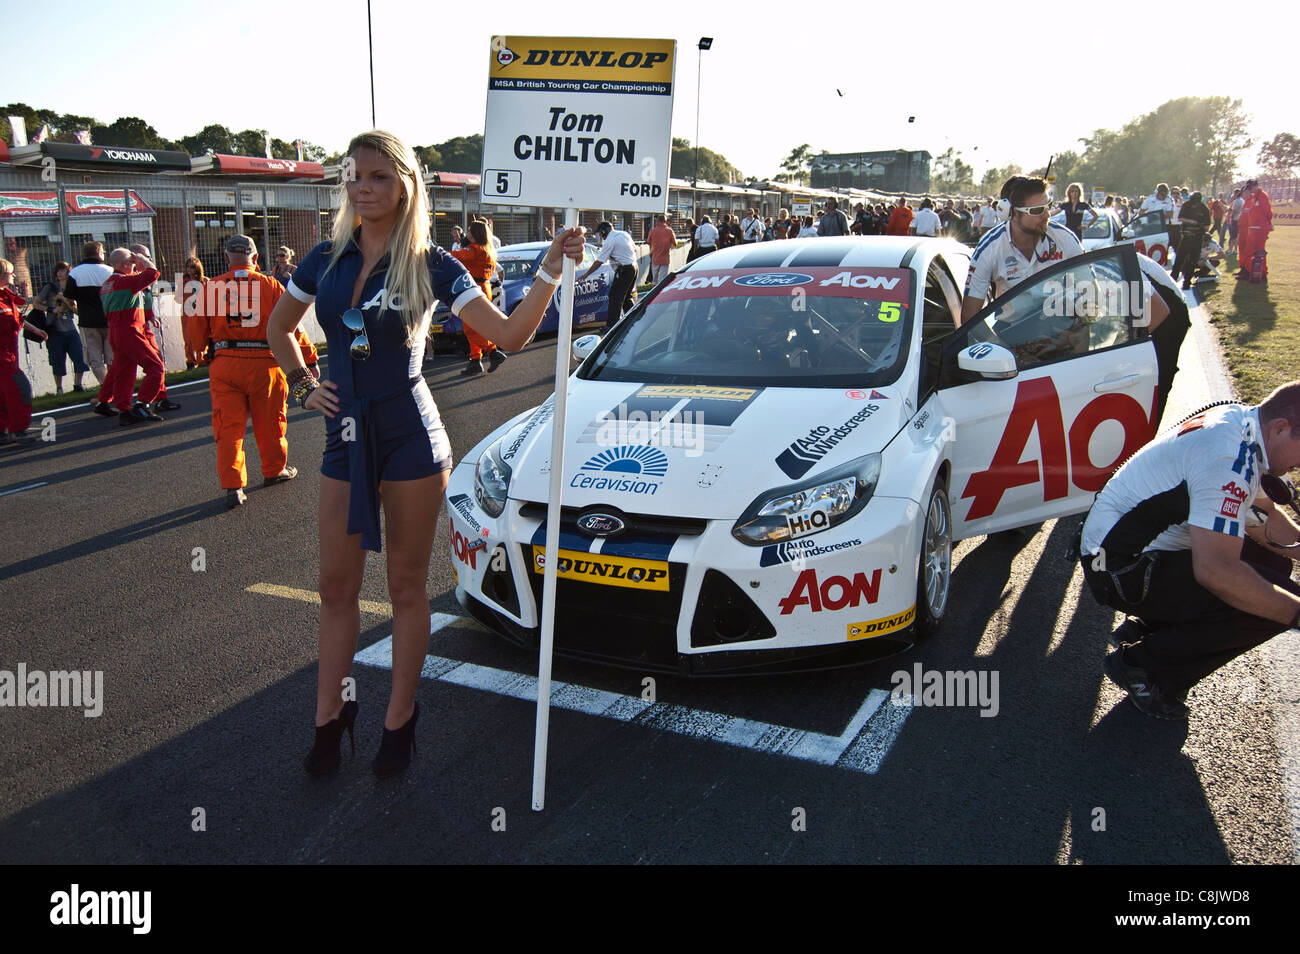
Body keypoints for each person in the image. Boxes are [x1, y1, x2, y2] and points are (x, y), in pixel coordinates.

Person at [264, 130, 586, 779]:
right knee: (334, 588)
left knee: (406, 589)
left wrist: (551, 271)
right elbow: (279, 328)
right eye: (355, 176)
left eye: (379, 176)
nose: (364, 187)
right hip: (344, 435)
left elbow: (510, 335)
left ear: (406, 184)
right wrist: (302, 384)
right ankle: (329, 716)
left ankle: (399, 719)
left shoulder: (432, 262)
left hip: (411, 434)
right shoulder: (324, 258)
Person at [1080, 382, 1300, 719]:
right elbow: (1216, 572)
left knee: (1273, 565)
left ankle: (1153, 625)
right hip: (1115, 569)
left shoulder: (1242, 427)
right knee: (1270, 604)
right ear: (1280, 428)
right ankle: (1145, 667)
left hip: (1118, 549)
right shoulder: (1229, 459)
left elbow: (1264, 520)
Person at [198, 234, 298, 508]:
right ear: (255, 258)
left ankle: (233, 486)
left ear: (226, 258)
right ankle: (274, 470)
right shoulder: (271, 285)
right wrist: (309, 359)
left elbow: (196, 329)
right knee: (271, 422)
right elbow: (290, 326)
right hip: (265, 364)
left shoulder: (211, 287)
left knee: (228, 427)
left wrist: (197, 353)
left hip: (225, 363)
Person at [960, 175, 1085, 323]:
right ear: (1010, 213)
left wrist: (1078, 330)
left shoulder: (1065, 238)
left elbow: (1091, 294)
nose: (1047, 215)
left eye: (1048, 206)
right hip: (1010, 332)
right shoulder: (989, 249)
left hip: (1060, 328)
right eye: (1037, 210)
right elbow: (969, 317)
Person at [97, 247, 166, 426]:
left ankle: (124, 410)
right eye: (132, 262)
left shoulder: (106, 285)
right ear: (125, 264)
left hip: (115, 332)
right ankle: (143, 404)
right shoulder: (125, 282)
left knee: (124, 372)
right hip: (130, 330)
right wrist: (143, 258)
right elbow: (153, 273)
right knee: (156, 367)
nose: (135, 265)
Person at [0, 258, 48, 445]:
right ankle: (18, 430)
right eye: (10, 272)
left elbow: (17, 318)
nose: (13, 275)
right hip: (3, 358)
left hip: (10, 354)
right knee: (20, 389)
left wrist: (35, 330)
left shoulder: (6, 296)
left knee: (4, 395)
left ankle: (3, 431)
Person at [130, 244, 181, 414]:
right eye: (146, 257)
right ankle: (142, 403)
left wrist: (150, 315)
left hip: (141, 324)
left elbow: (144, 300)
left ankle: (159, 398)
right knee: (155, 364)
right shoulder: (132, 278)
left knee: (154, 363)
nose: (149, 260)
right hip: (134, 328)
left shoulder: (139, 278)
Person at [451, 220, 505, 374]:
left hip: (474, 289)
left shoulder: (475, 249)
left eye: (469, 230)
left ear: (475, 233)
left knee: (470, 328)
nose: (467, 233)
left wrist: (437, 252)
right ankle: (475, 360)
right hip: (483, 287)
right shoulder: (489, 249)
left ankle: (493, 352)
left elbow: (455, 256)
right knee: (476, 326)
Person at [33, 262, 89, 395]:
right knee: (57, 360)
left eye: (62, 270)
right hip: (54, 329)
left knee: (80, 357)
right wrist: (51, 309)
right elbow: (36, 304)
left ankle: (78, 385)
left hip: (70, 328)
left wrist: (65, 301)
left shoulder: (72, 288)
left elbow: (78, 311)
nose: (59, 273)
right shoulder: (50, 287)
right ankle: (59, 388)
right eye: (58, 270)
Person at [65, 242, 114, 393]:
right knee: (112, 357)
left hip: (88, 322)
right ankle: (114, 386)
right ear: (98, 252)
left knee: (94, 358)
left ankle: (106, 386)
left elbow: (69, 298)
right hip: (110, 320)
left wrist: (77, 309)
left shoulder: (75, 273)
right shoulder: (110, 271)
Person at [582, 220, 638, 329]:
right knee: (626, 297)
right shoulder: (624, 234)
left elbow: (599, 261)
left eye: (600, 233)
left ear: (604, 231)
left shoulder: (610, 241)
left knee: (615, 297)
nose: (600, 236)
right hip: (634, 266)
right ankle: (633, 319)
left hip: (624, 270)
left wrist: (586, 274)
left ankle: (613, 325)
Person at [1170, 191, 1211, 290]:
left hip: (1197, 237)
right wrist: (1192, 222)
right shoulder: (1186, 205)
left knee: (1193, 261)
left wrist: (1200, 225)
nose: (1194, 205)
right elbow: (1180, 218)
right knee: (1179, 259)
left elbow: (1207, 226)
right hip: (1186, 236)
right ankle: (1172, 280)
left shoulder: (1204, 209)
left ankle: (1187, 282)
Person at [1237, 179, 1273, 281]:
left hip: (1260, 228)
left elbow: (1268, 212)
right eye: (1249, 188)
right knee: (1250, 251)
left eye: (1251, 187)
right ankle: (1250, 271)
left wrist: (1267, 224)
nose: (1250, 190)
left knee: (1259, 251)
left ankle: (1262, 273)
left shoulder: (1262, 196)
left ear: (1256, 186)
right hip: (1253, 228)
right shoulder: (1254, 197)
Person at [180, 257, 210, 369]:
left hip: (201, 312)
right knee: (188, 338)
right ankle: (190, 362)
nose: (189, 269)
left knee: (201, 336)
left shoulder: (205, 281)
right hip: (187, 313)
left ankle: (201, 359)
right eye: (187, 267)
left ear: (197, 268)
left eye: (192, 267)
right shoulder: (183, 282)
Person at [647, 214, 678, 285]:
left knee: (654, 279)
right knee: (662, 279)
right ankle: (660, 290)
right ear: (666, 221)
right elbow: (675, 243)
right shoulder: (669, 231)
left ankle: (654, 289)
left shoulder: (653, 231)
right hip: (665, 259)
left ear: (657, 221)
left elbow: (648, 242)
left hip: (655, 258)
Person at [1226, 188, 1244, 254]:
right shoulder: (1242, 200)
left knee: (1233, 236)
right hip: (1240, 219)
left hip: (1235, 220)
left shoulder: (1236, 201)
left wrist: (1231, 216)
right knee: (1236, 236)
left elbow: (1234, 211)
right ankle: (1235, 250)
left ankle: (1230, 250)